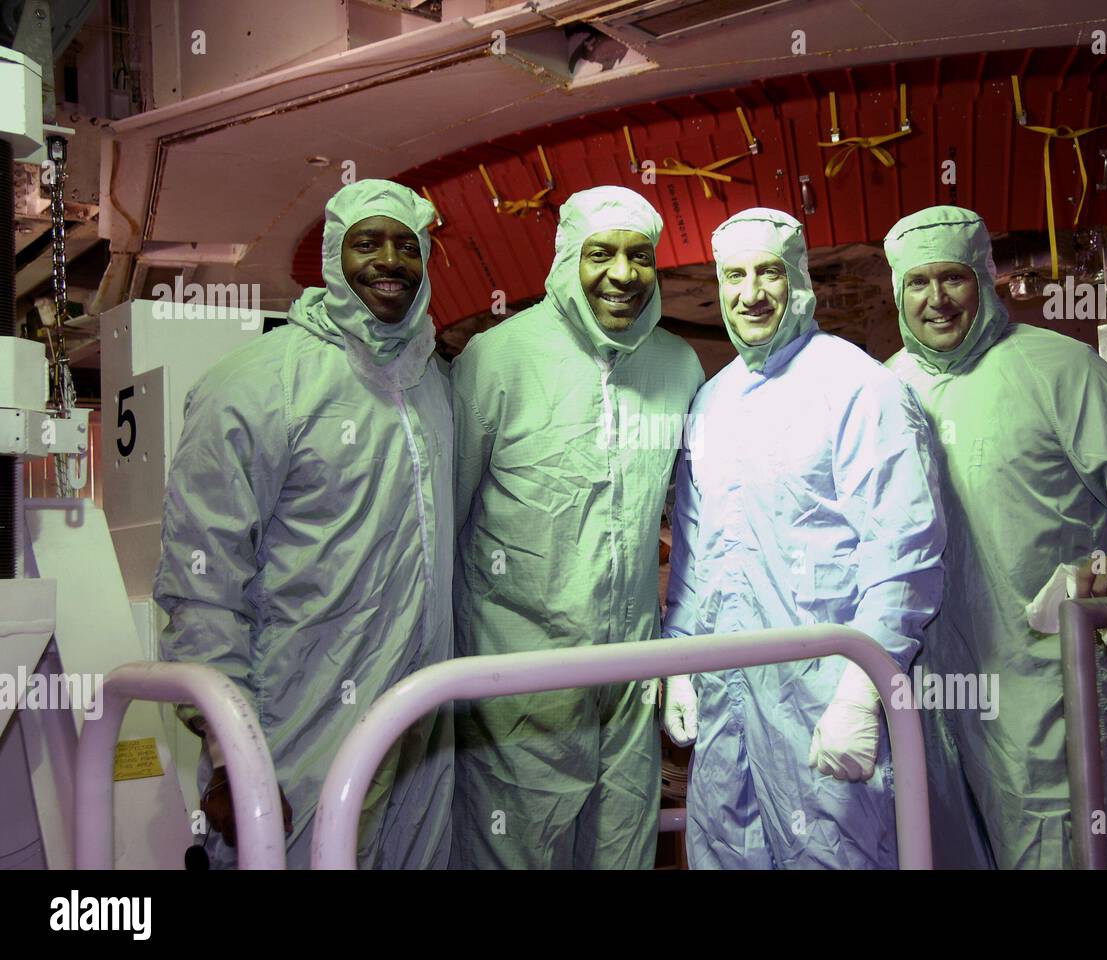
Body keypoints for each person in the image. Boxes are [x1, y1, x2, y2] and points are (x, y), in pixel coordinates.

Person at [882, 205, 1107, 869]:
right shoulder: (885, 390)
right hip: (928, 705)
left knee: (1059, 849)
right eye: (917, 283)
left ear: (985, 278)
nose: (936, 300)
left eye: (954, 278)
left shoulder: (1059, 369)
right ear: (897, 293)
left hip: (1044, 696)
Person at [154, 179, 455, 869]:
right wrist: (234, 754)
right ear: (330, 256)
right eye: (366, 243)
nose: (389, 261)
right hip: (297, 725)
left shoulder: (433, 384)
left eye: (407, 245)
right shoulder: (255, 382)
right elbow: (201, 580)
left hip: (421, 729)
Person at [661, 208, 946, 869]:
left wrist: (861, 689)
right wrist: (677, 663)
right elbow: (698, 555)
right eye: (733, 275)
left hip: (821, 702)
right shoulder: (713, 402)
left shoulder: (858, 389)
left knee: (835, 855)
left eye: (769, 273)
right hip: (728, 707)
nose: (750, 293)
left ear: (798, 280)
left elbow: (903, 554)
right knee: (727, 852)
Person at [452, 185, 704, 869]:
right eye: (601, 254)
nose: (622, 274)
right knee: (515, 852)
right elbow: (445, 524)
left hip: (630, 681)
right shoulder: (496, 360)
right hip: (517, 685)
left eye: (639, 256)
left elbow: (697, 524)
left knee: (621, 849)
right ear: (568, 258)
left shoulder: (677, 367)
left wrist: (681, 659)